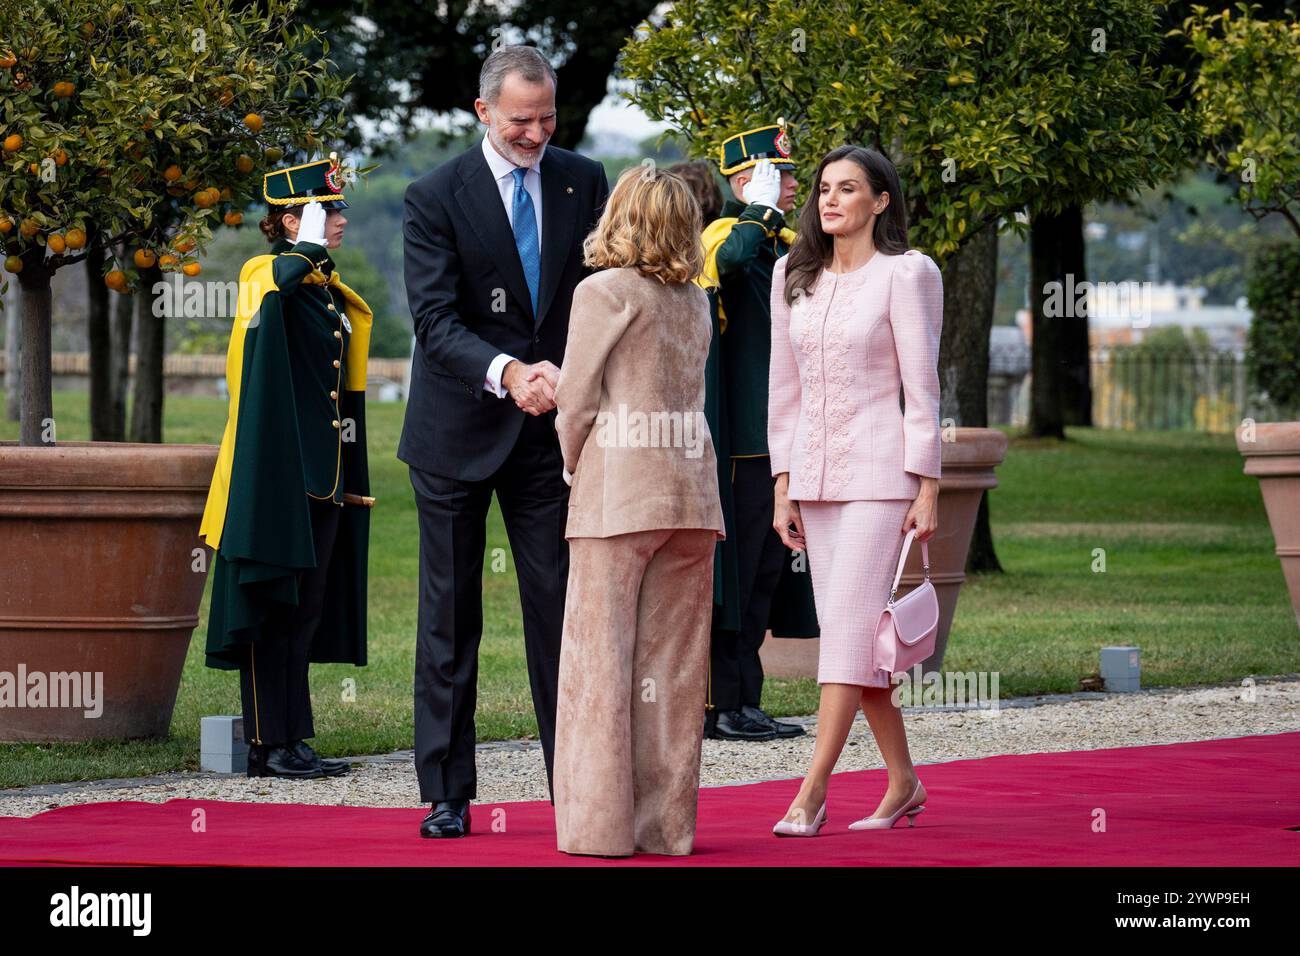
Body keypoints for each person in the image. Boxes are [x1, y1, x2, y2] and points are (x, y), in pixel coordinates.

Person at [399, 44, 610, 838]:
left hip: (549, 438)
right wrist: (508, 371)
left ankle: (578, 785)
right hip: (455, 433)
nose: (536, 133)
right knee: (450, 616)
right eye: (521, 120)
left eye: (547, 117)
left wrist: (573, 379)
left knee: (561, 609)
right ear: (483, 111)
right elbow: (433, 321)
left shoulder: (583, 179)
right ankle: (447, 793)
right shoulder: (433, 195)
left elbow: (600, 290)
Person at [767, 145, 942, 836]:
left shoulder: (908, 273)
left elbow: (923, 389)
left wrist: (928, 486)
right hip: (812, 481)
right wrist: (782, 486)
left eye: (847, 189)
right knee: (862, 642)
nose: (829, 200)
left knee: (843, 633)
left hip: (880, 479)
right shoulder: (793, 274)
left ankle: (811, 790)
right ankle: (904, 782)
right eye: (822, 189)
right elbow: (784, 391)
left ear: (881, 201)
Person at [551, 165, 724, 857]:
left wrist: (571, 459)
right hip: (691, 491)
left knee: (599, 666)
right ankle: (666, 829)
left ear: (619, 215)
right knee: (675, 674)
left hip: (619, 489)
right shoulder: (695, 301)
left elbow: (577, 399)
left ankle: (598, 830)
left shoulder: (603, 291)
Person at [199, 153, 374, 779]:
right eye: (328, 212)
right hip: (275, 477)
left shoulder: (321, 289)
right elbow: (265, 319)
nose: (340, 222)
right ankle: (267, 742)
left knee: (304, 608)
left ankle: (294, 737)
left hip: (319, 476)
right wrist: (300, 252)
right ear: (293, 219)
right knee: (269, 605)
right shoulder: (263, 274)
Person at [696, 121, 817, 742]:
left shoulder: (781, 244)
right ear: (749, 179)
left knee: (767, 577)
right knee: (735, 579)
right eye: (783, 173)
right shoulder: (729, 236)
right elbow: (728, 262)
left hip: (781, 440)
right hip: (742, 443)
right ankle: (720, 705)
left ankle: (747, 699)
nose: (796, 184)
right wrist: (759, 208)